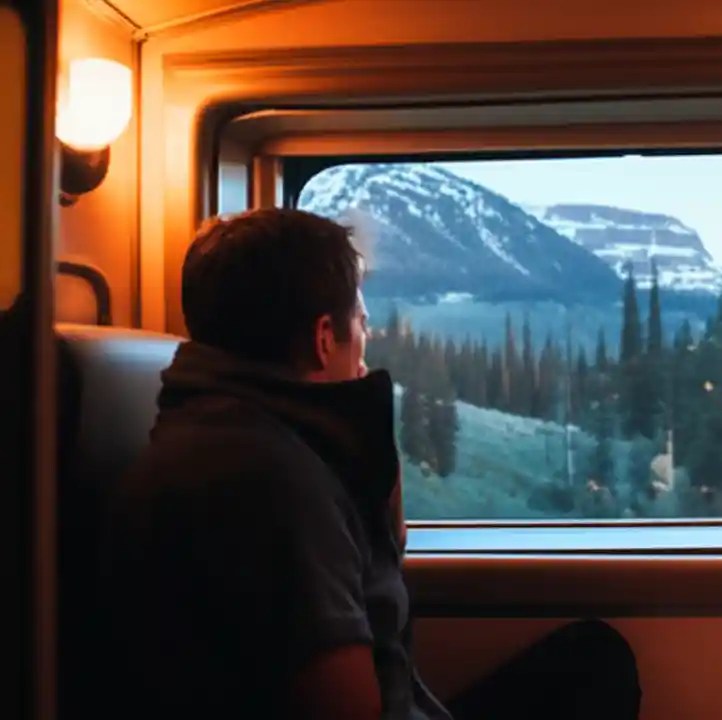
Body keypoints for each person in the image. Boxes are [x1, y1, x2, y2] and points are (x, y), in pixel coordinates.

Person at [102, 208, 641, 720]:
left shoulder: (230, 433)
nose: (369, 338)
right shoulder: (266, 485)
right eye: (360, 322)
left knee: (591, 660)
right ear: (322, 340)